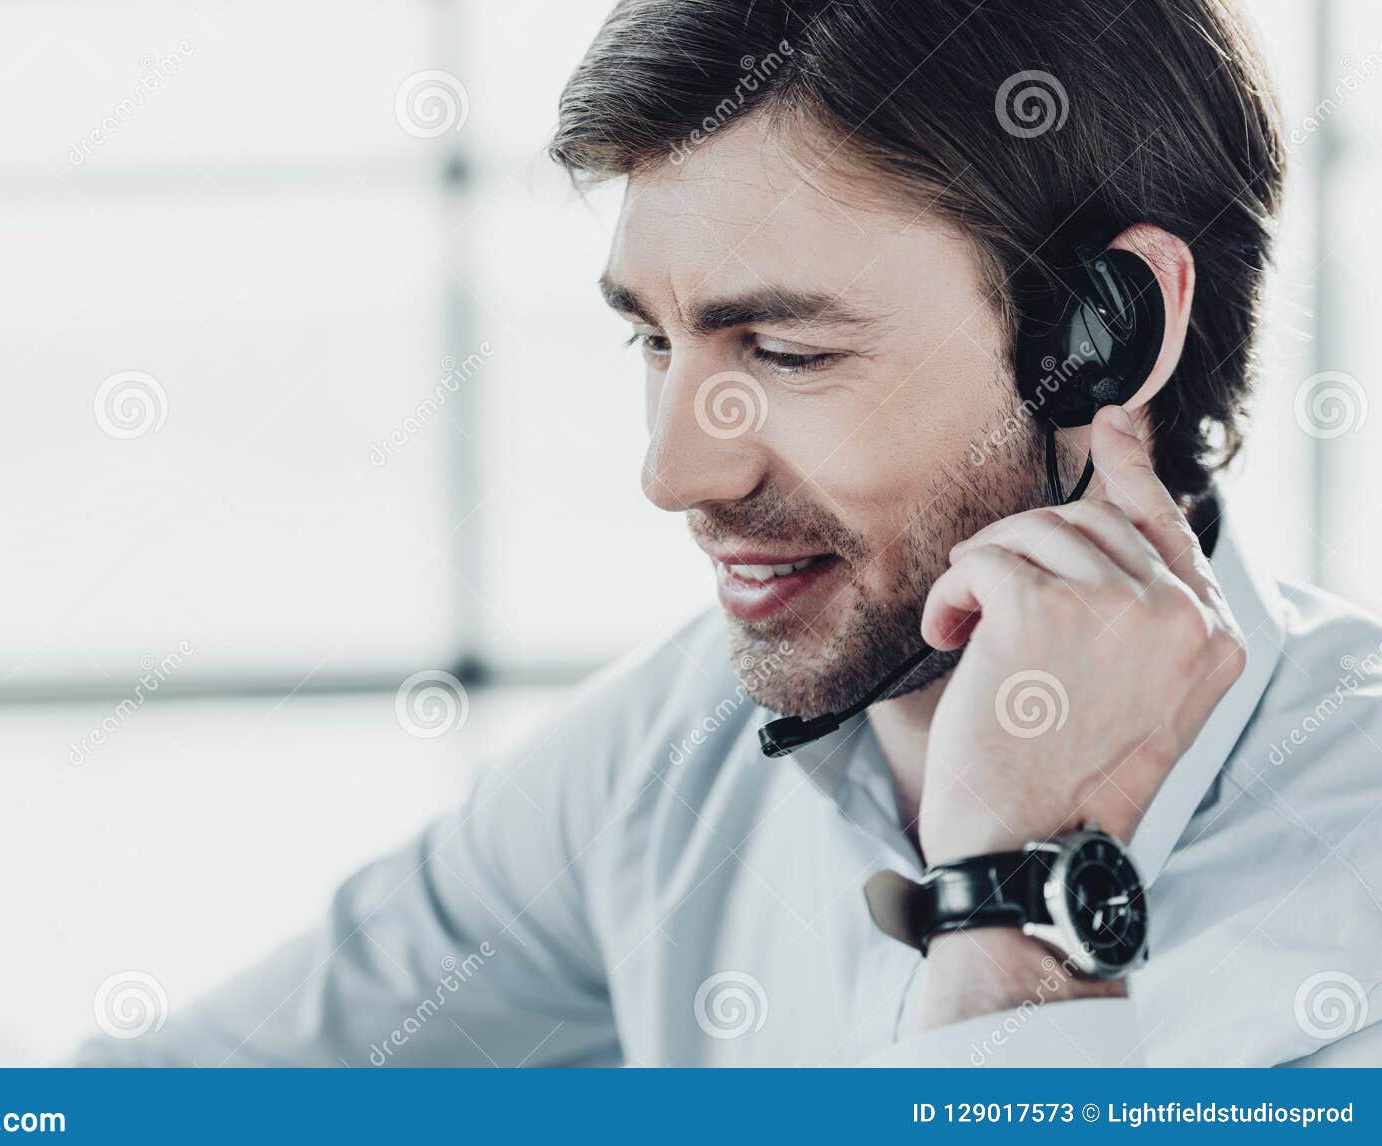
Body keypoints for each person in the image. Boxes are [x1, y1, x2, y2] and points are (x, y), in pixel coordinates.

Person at [80, 0, 1382, 1066]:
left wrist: (1016, 905)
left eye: (786, 351)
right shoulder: (667, 757)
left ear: (1107, 334)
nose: (674, 471)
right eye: (654, 341)